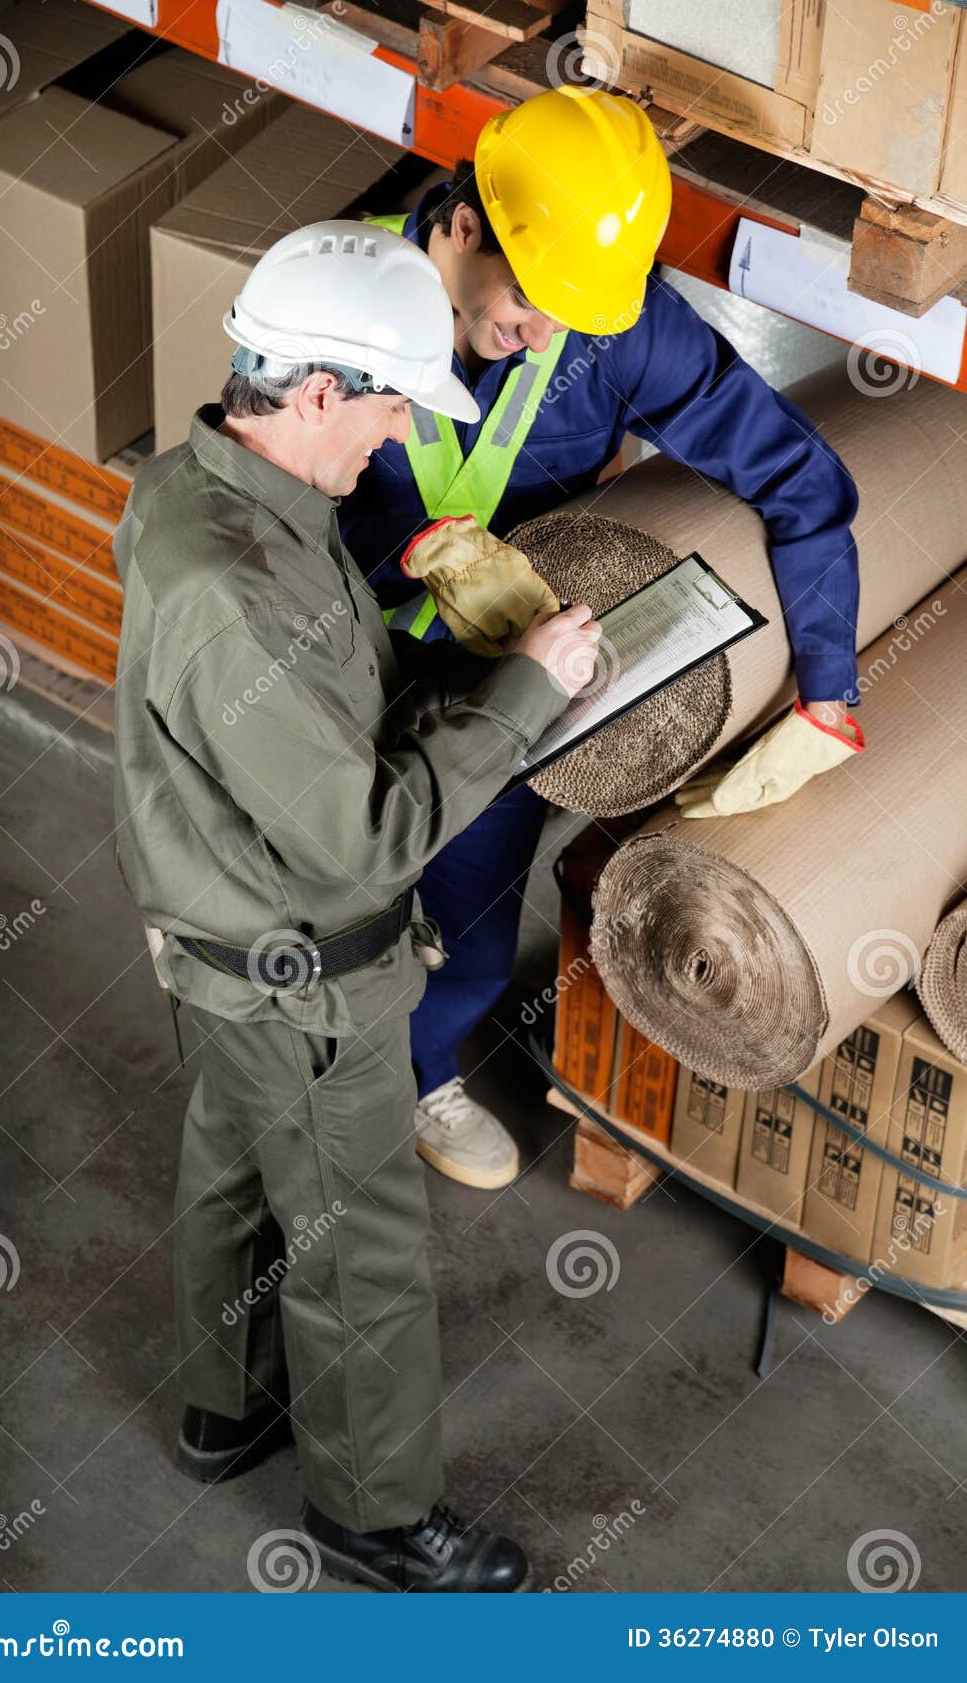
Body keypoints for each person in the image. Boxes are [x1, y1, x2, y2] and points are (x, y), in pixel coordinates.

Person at [112, 219, 601, 1592]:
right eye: (388, 405)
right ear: (317, 390)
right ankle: (374, 1514)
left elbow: (320, 680)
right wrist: (517, 704)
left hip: (216, 944)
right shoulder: (232, 588)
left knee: (229, 1173)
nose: (392, 439)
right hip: (302, 971)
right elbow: (360, 831)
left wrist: (459, 659)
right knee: (359, 1243)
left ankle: (226, 1409)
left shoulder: (206, 493)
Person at [340, 85, 863, 1192]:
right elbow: (247, 502)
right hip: (332, 656)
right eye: (527, 299)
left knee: (472, 934)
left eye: (570, 315)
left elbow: (800, 486)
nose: (541, 335)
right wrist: (389, 547)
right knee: (320, 899)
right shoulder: (333, 297)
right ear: (464, 220)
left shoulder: (609, 327)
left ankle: (421, 1069)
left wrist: (825, 686)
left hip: (509, 691)